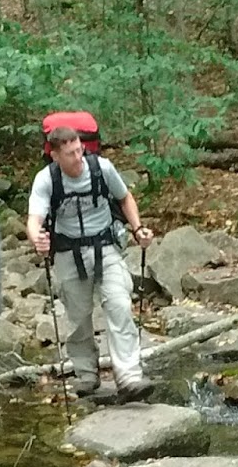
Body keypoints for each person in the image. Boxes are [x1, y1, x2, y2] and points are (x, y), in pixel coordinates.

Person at [26, 126, 155, 400]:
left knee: (119, 303)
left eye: (79, 149)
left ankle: (129, 376)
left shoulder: (102, 168)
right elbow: (34, 219)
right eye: (71, 153)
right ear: (55, 156)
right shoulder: (46, 179)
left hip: (105, 247)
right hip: (67, 252)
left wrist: (138, 228)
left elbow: (124, 197)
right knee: (77, 317)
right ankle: (86, 374)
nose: (78, 156)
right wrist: (37, 238)